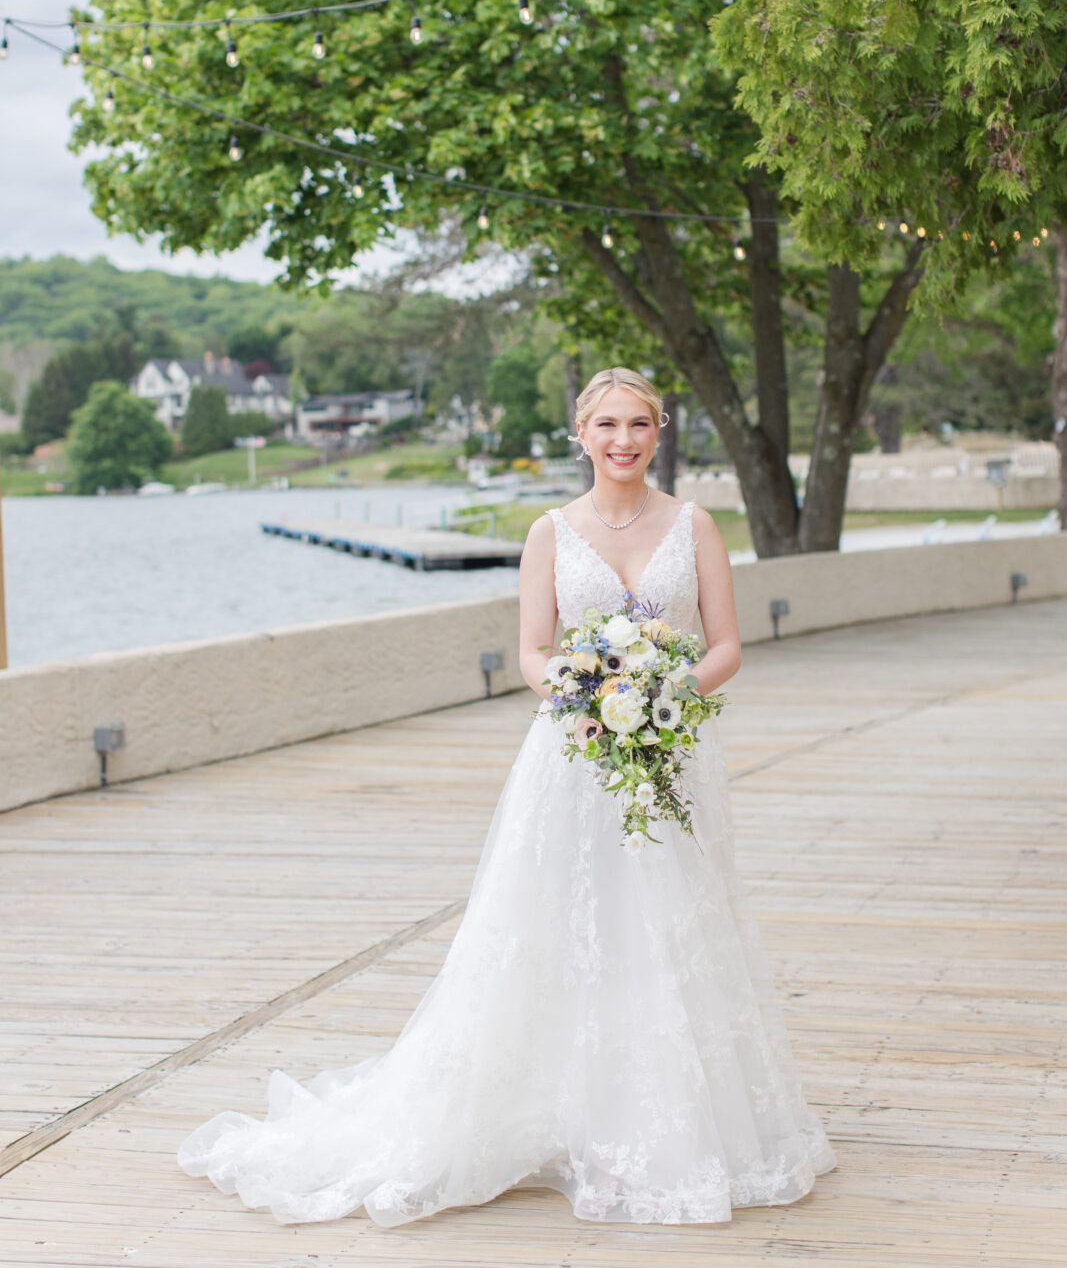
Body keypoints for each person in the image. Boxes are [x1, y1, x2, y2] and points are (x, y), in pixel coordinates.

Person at [177, 365, 836, 1227]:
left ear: (658, 430)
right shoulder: (549, 532)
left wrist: (667, 697)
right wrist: (586, 695)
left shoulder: (695, 525)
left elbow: (726, 645)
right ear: (580, 434)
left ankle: (668, 1120)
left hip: (673, 752)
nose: (623, 441)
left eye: (638, 424)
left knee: (674, 921)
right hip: (573, 752)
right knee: (565, 924)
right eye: (606, 425)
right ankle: (550, 1110)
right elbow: (532, 651)